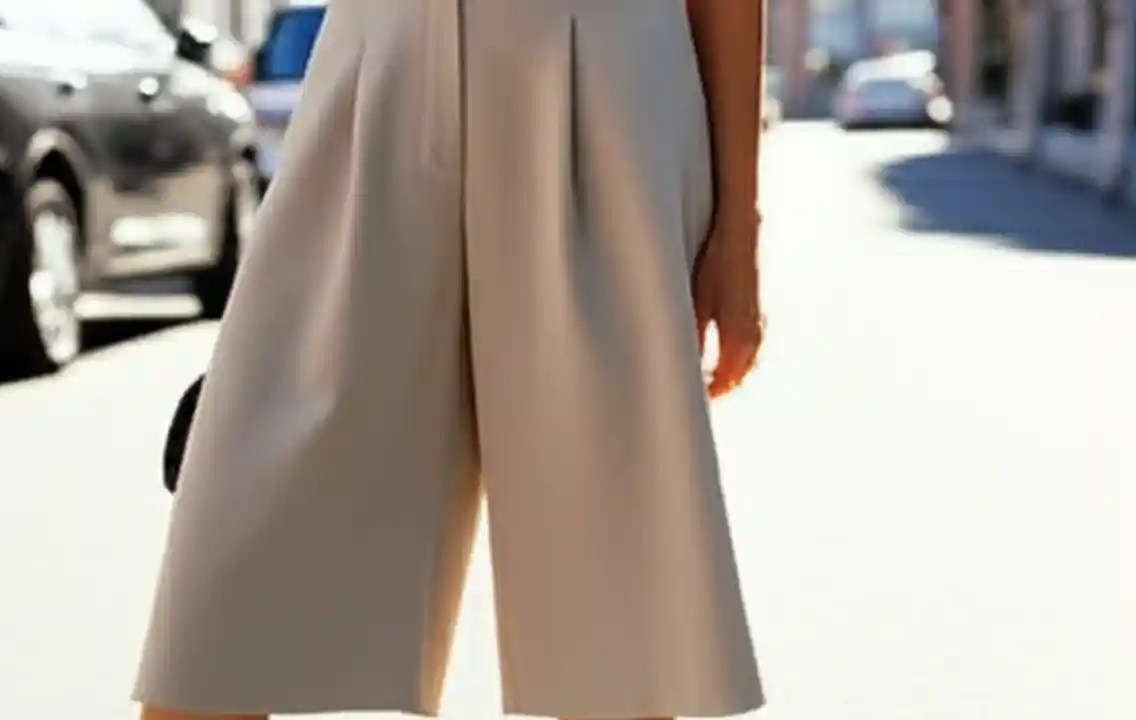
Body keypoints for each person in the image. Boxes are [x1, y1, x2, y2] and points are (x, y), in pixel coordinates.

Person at [133, 0, 768, 718]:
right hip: (378, 64)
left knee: (612, 655)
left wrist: (737, 234)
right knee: (214, 637)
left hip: (603, 74)